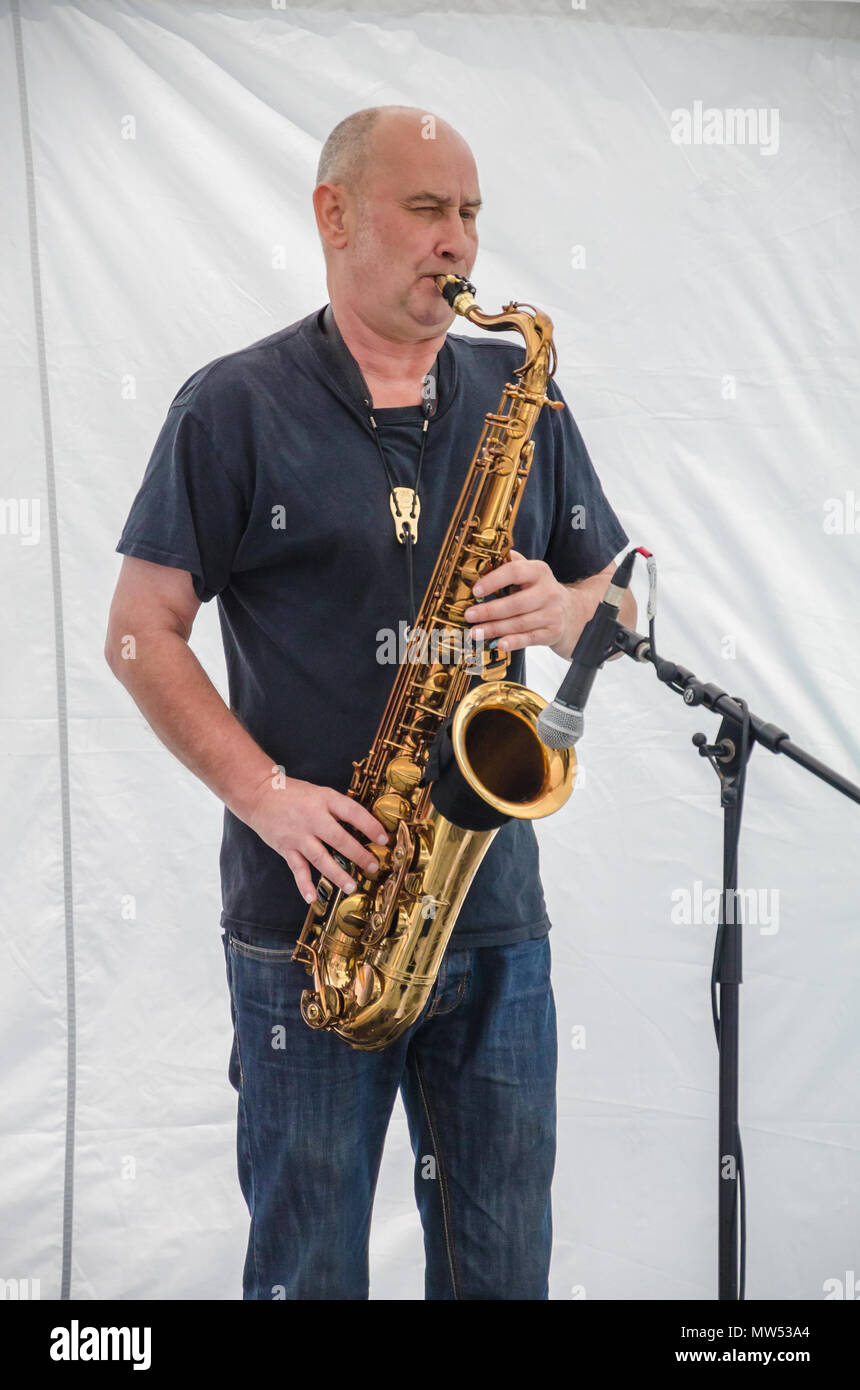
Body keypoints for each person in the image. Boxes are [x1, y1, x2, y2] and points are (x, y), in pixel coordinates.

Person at [105, 105, 636, 1300]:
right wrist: (265, 795)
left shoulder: (521, 392)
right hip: (311, 920)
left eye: (470, 215)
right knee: (308, 1270)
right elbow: (139, 634)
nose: (457, 243)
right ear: (332, 215)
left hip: (490, 912)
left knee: (504, 1270)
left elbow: (622, 603)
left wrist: (568, 611)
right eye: (426, 209)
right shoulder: (230, 404)